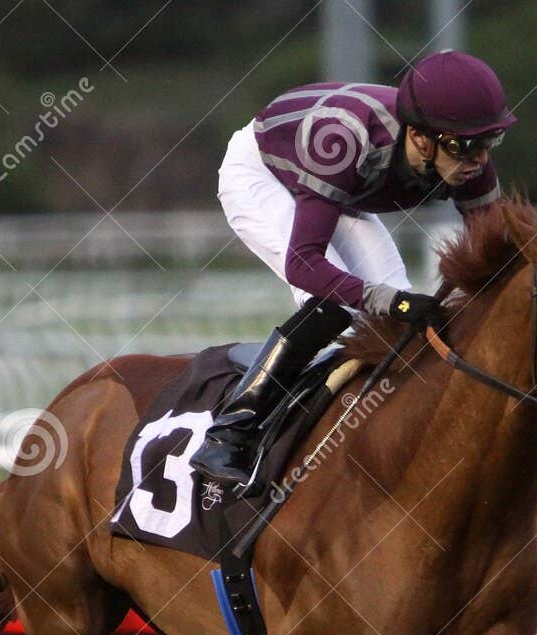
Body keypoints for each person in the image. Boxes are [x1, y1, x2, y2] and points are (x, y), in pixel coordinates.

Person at [190, 50, 517, 485]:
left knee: (402, 323)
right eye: (464, 146)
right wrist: (394, 302)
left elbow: (498, 262)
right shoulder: (343, 137)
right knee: (335, 303)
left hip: (339, 189)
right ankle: (230, 433)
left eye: (490, 142)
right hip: (263, 172)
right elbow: (304, 263)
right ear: (421, 138)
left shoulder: (469, 161)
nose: (479, 160)